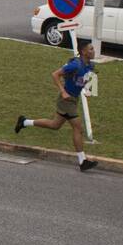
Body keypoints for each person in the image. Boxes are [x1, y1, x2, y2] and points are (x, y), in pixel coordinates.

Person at [15, 42, 99, 172]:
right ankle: (82, 161)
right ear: (83, 51)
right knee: (78, 128)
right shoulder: (74, 64)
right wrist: (63, 91)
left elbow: (86, 83)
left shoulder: (90, 66)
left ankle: (24, 122)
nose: (94, 51)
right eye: (91, 49)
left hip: (73, 99)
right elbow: (55, 74)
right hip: (66, 100)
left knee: (55, 125)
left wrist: (88, 89)